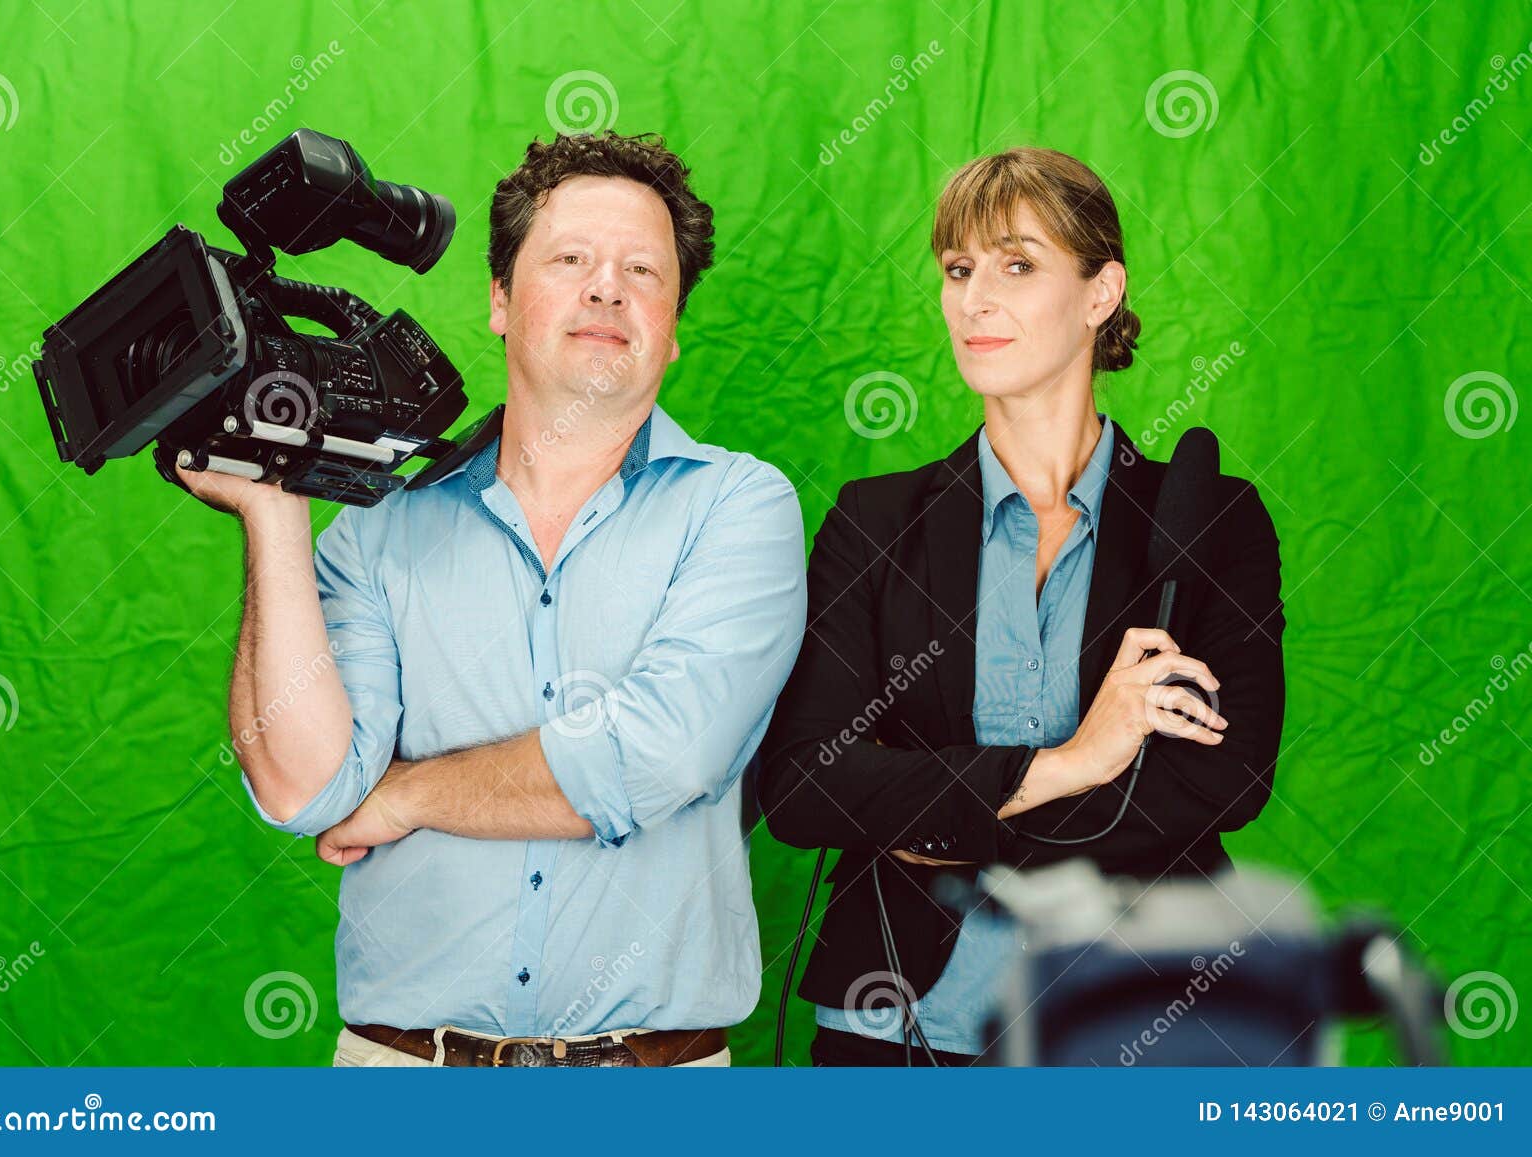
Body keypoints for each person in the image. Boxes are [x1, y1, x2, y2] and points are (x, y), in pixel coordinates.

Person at [179, 130, 806, 1067]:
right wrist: (276, 514)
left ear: (673, 328)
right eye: (570, 260)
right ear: (502, 301)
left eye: (644, 269)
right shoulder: (378, 529)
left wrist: (406, 797)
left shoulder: (738, 506)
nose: (607, 288)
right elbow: (306, 786)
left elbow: (660, 752)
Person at [757, 146, 1286, 1067]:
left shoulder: (1210, 517)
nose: (974, 298)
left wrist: (929, 816)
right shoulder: (875, 521)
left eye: (1017, 264)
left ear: (1100, 292)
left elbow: (1224, 779)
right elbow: (806, 787)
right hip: (896, 1033)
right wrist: (1076, 759)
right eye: (958, 270)